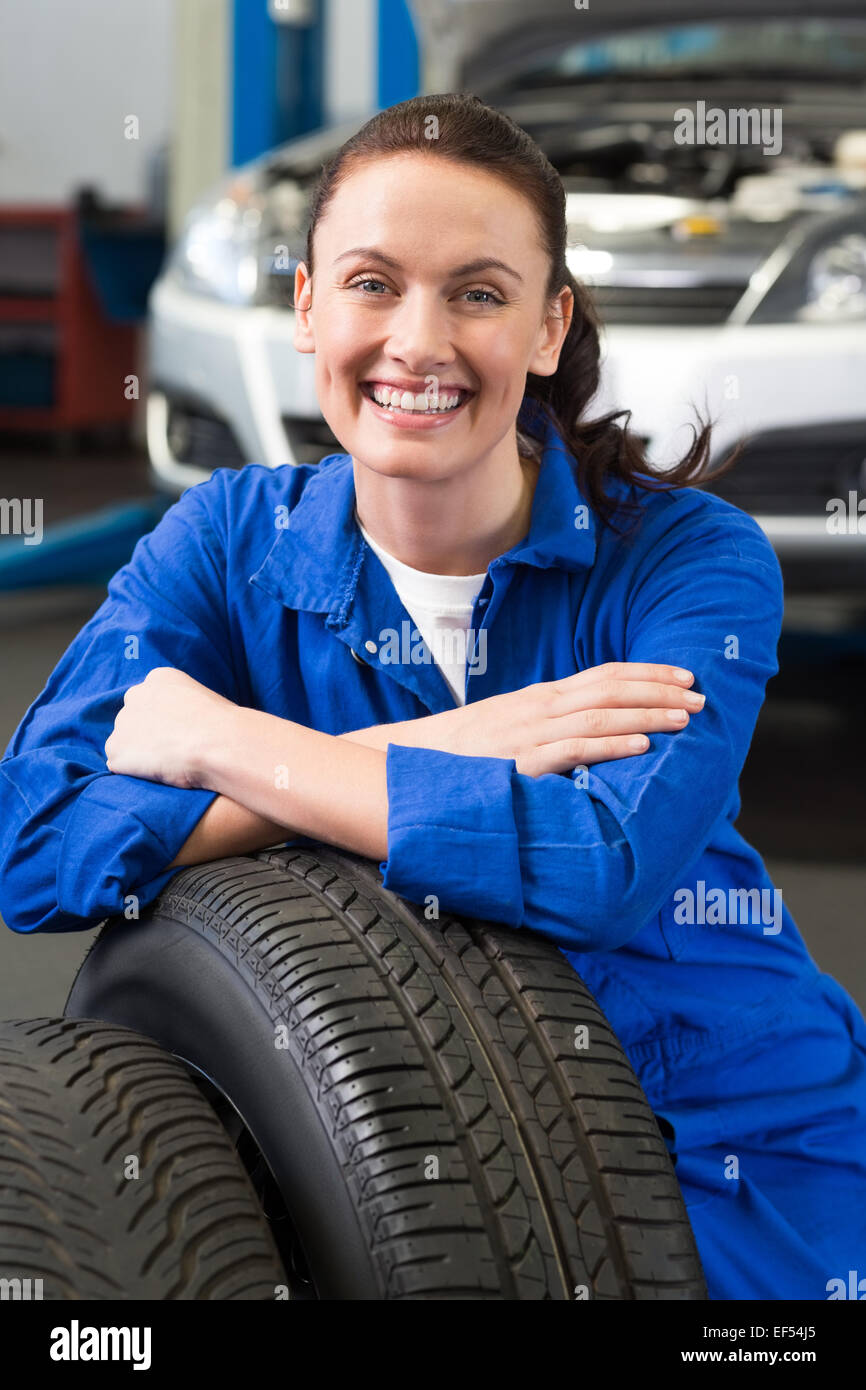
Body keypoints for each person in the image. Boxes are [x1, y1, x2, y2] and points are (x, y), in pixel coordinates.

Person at [1, 93, 864, 1301]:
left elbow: (599, 868)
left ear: (549, 324)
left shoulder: (688, 561)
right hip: (385, 1131)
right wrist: (443, 741)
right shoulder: (225, 544)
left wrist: (224, 747)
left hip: (726, 1123)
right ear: (305, 303)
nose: (417, 342)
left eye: (476, 292)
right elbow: (37, 844)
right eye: (369, 283)